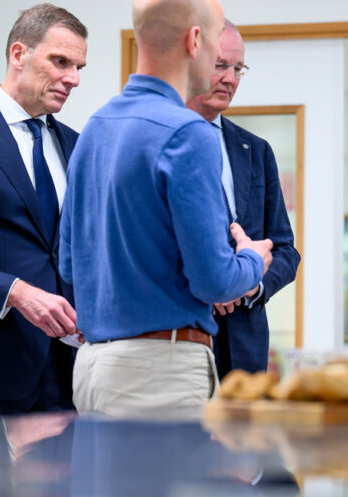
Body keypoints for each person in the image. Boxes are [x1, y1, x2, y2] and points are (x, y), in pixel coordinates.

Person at [59, 0, 273, 419]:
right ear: (195, 41)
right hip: (161, 372)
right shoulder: (188, 133)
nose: (223, 67)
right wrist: (252, 259)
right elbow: (215, 280)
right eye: (216, 44)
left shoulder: (95, 128)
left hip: (92, 369)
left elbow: (70, 264)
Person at [0, 4, 88, 419]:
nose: (73, 79)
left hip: (70, 375)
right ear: (18, 54)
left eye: (78, 67)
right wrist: (15, 291)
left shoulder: (76, 144)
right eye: (61, 62)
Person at [186, 21, 300, 380]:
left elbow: (285, 250)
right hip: (181, 335)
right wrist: (213, 283)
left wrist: (251, 283)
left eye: (238, 69)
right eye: (220, 65)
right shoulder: (158, 139)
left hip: (245, 344)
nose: (230, 79)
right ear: (190, 60)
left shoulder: (256, 150)